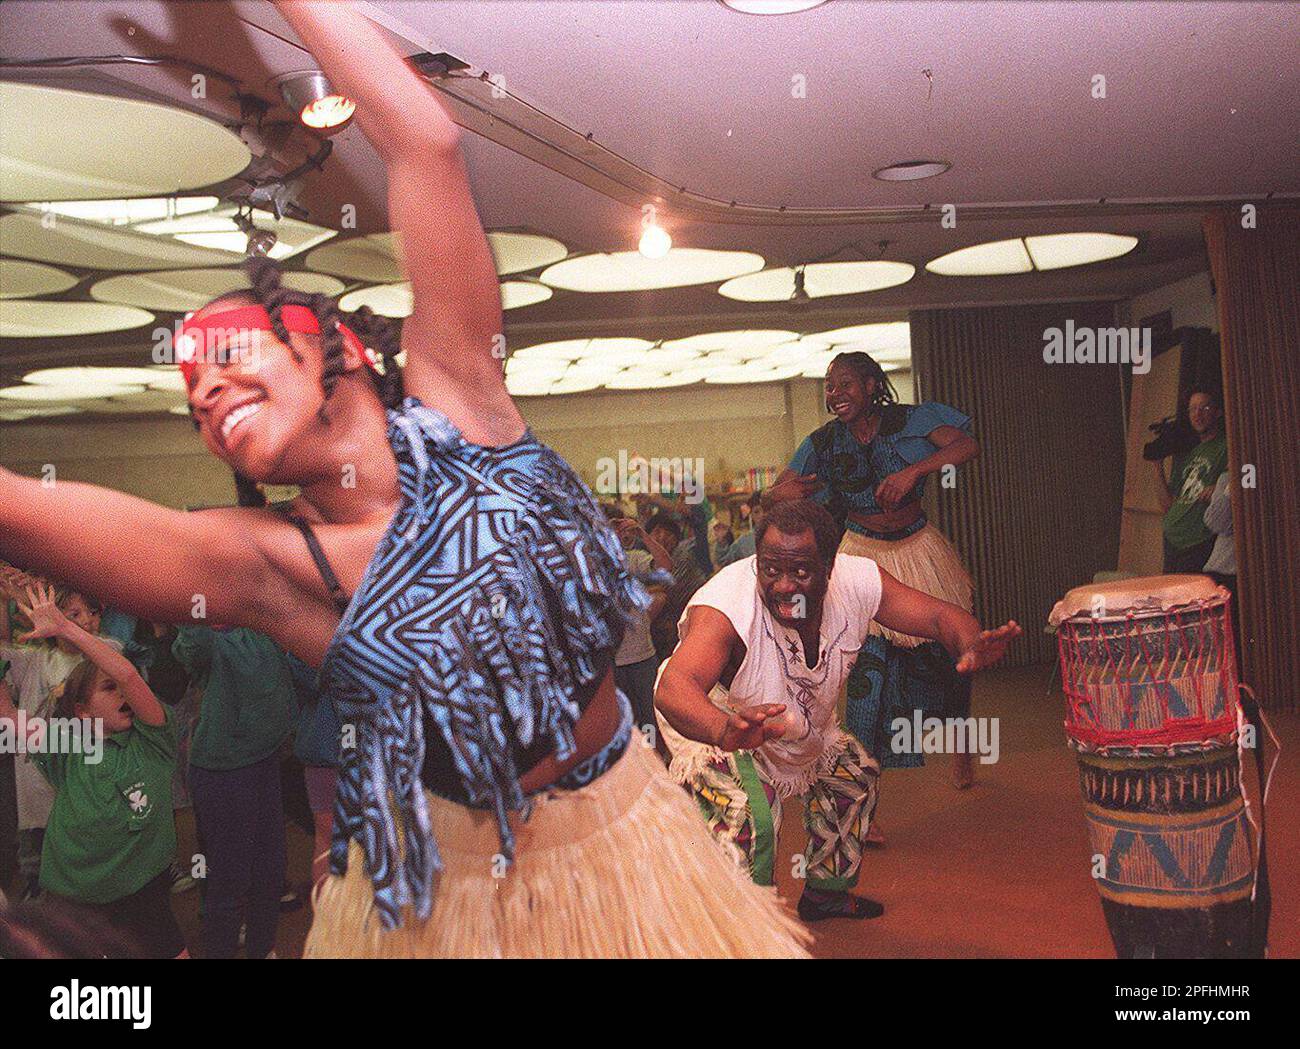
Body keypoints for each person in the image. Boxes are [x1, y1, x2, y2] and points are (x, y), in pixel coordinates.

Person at [0, 0, 808, 958]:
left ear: (336, 341)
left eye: (224, 351)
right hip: (444, 893)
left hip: (624, 840)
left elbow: (423, 140)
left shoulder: (459, 390)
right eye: (191, 390)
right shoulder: (269, 564)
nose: (206, 385)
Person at [655, 501, 1020, 920]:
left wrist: (969, 641)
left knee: (853, 776)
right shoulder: (724, 604)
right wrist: (723, 729)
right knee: (750, 812)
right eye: (770, 570)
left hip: (795, 719)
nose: (783, 587)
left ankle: (825, 896)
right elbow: (674, 687)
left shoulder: (858, 580)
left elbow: (939, 617)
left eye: (801, 573)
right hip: (717, 717)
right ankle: (749, 930)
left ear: (830, 567)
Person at [765, 352, 982, 791]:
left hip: (919, 551)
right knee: (867, 675)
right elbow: (778, 491)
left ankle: (962, 745)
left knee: (946, 663)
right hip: (861, 555)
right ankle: (863, 789)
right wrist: (777, 493)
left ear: (870, 385)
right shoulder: (823, 443)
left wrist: (914, 471)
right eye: (829, 387)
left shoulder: (913, 420)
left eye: (844, 384)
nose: (835, 394)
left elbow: (965, 445)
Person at [0, 586, 185, 958]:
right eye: (108, 689)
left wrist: (68, 630)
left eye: (123, 689)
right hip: (75, 898)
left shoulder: (153, 740)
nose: (123, 694)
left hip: (144, 890)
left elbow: (130, 677)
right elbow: (8, 722)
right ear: (83, 711)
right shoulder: (69, 743)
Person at [171, 623, 297, 959]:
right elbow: (193, 645)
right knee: (228, 883)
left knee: (269, 874)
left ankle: (262, 949)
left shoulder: (264, 629)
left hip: (265, 763)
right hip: (224, 774)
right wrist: (198, 591)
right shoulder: (210, 643)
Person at [0, 572, 100, 899]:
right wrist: (5, 602)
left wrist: (62, 625)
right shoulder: (34, 661)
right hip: (37, 791)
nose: (88, 621)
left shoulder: (105, 653)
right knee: (38, 875)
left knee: (85, 874)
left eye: (93, 612)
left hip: (84, 790)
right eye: (74, 614)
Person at [608, 514, 669, 737]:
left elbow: (665, 566)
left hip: (643, 656)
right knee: (624, 725)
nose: (621, 533)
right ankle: (634, 768)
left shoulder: (633, 558)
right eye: (615, 527)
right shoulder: (593, 562)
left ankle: (653, 764)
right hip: (613, 660)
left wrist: (643, 534)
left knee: (651, 719)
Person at [1154, 388, 1228, 573]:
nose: (1197, 414)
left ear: (1217, 412)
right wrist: (1157, 466)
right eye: (1192, 409)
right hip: (1172, 537)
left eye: (1204, 407)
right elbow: (1167, 505)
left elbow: (1241, 482)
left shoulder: (1226, 447)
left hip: (1198, 540)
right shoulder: (1188, 453)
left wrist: (1218, 489)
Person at [646, 512, 709, 662]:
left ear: (676, 537)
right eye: (657, 532)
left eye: (668, 533)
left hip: (691, 617)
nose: (662, 537)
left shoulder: (681, 555)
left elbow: (665, 587)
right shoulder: (647, 559)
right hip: (675, 615)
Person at [719, 492, 764, 568]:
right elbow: (725, 563)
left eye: (766, 510)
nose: (762, 515)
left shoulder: (784, 537)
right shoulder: (743, 543)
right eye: (757, 512)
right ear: (751, 515)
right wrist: (722, 541)